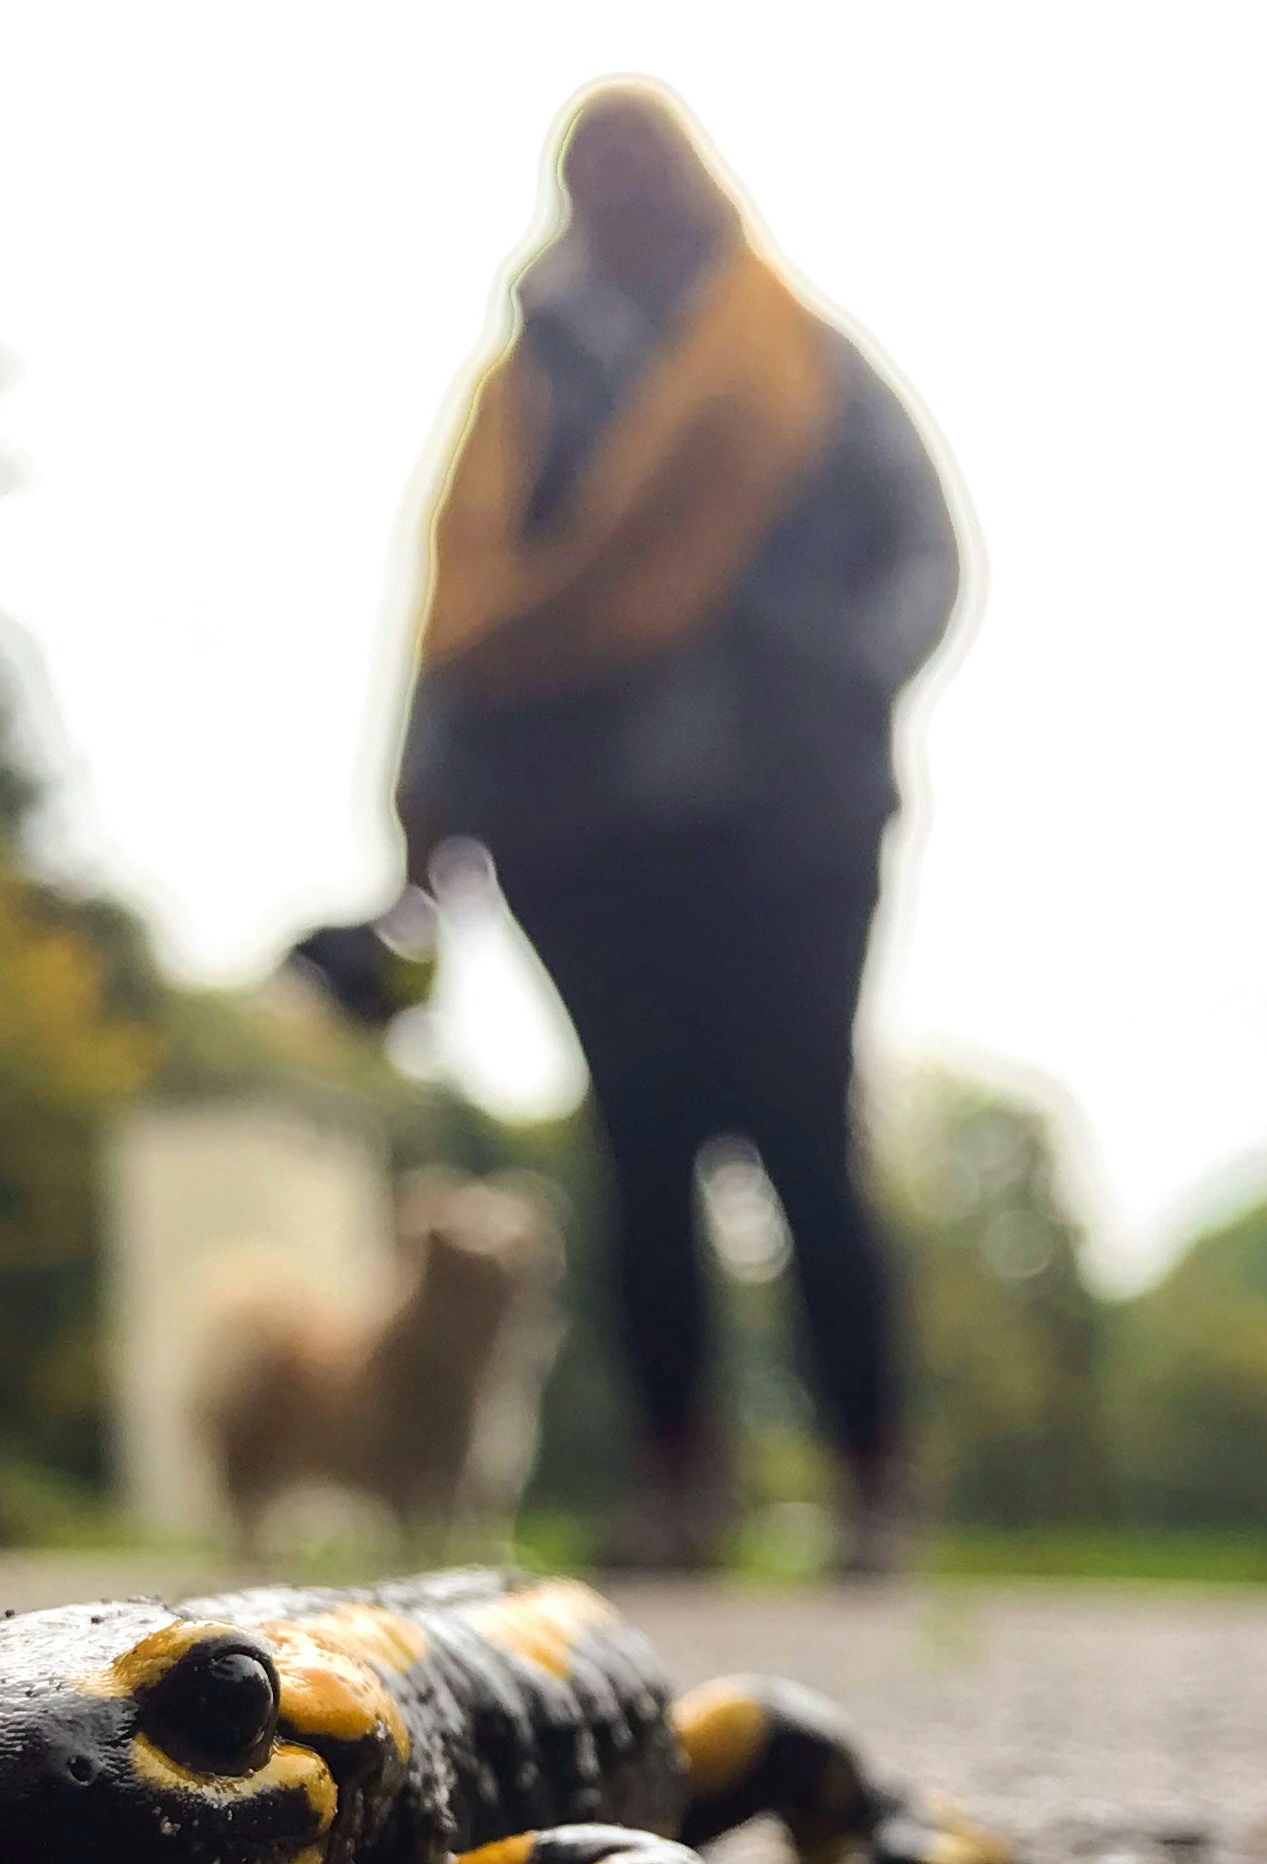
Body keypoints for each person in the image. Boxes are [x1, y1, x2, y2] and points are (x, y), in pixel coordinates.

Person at [387, 81, 962, 1578]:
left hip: (792, 817)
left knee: (802, 1129)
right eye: (596, 169)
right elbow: (460, 609)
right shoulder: (523, 391)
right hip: (580, 835)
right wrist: (423, 799)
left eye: (648, 164)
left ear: (699, 182)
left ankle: (871, 1475)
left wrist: (848, 680)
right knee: (637, 1142)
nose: (625, 190)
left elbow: (927, 548)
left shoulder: (796, 359)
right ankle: (677, 1484)